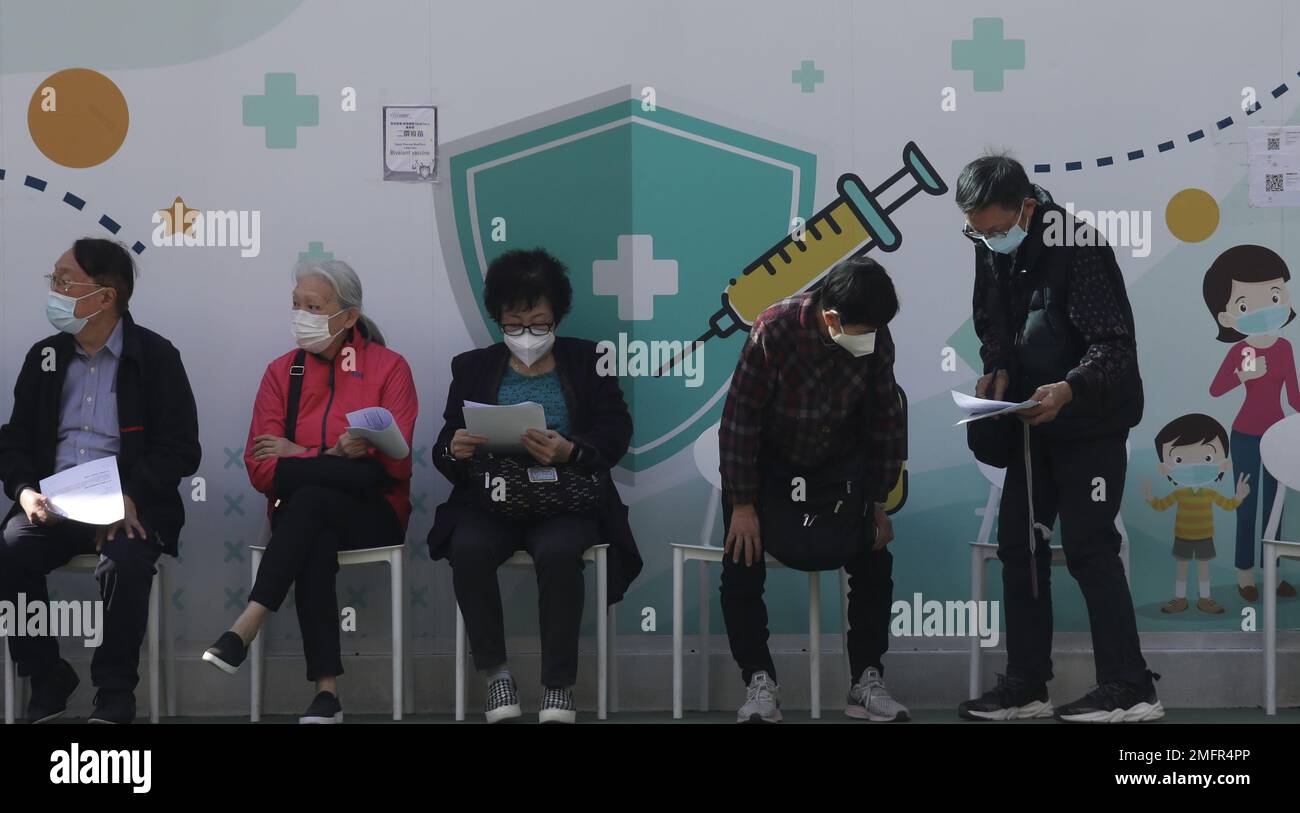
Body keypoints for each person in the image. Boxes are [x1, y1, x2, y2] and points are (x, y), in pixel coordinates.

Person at [955, 152, 1161, 723]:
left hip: (1089, 421)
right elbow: (991, 323)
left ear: (1026, 206)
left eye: (996, 228)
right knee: (1019, 548)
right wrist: (996, 366)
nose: (987, 239)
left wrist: (1067, 389)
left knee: (1091, 548)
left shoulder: (1081, 246)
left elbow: (1114, 346)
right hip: (1028, 421)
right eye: (977, 230)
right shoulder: (990, 249)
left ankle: (1131, 687)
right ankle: (1027, 684)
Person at [428, 248, 641, 724]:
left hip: (566, 497)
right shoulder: (472, 368)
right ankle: (496, 675)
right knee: (469, 548)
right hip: (493, 496)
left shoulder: (590, 360)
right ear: (497, 319)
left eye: (539, 323)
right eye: (514, 324)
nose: (526, 335)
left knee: (561, 553)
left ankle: (558, 686)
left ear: (558, 315)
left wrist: (571, 450)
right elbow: (445, 440)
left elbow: (616, 430)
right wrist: (455, 448)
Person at [202, 260, 417, 725]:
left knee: (310, 500)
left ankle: (249, 624)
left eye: (314, 306)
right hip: (306, 508)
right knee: (311, 516)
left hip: (374, 511)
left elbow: (394, 464)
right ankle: (326, 696)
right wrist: (335, 456)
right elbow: (261, 469)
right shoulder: (282, 373)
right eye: (296, 305)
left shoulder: (389, 367)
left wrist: (298, 452)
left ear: (348, 316)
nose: (301, 314)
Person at [0, 238, 200, 724]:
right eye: (54, 280)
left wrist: (130, 495)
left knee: (125, 564)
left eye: (64, 281)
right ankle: (47, 675)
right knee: (9, 550)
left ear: (105, 296)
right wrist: (26, 492)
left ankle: (114, 692)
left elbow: (181, 449)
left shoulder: (155, 356)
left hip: (128, 503)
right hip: (53, 503)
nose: (55, 290)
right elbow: (14, 440)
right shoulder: (44, 358)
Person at [718, 256, 909, 723]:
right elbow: (740, 419)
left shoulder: (875, 339)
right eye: (862, 329)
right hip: (770, 473)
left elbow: (886, 420)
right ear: (830, 319)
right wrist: (743, 504)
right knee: (741, 558)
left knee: (875, 556)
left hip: (840, 470)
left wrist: (878, 503)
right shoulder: (774, 329)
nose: (872, 338)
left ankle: (867, 679)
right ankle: (759, 683)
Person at [1204, 245, 1299, 600]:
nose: (1262, 310)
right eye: (1246, 304)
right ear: (1228, 317)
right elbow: (1216, 389)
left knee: (1276, 509)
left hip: (1277, 438)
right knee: (1247, 506)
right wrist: (1243, 375)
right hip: (1244, 435)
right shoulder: (1238, 351)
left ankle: (1272, 575)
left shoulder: (1284, 349)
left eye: (1273, 296)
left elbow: (1294, 398)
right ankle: (1246, 575)